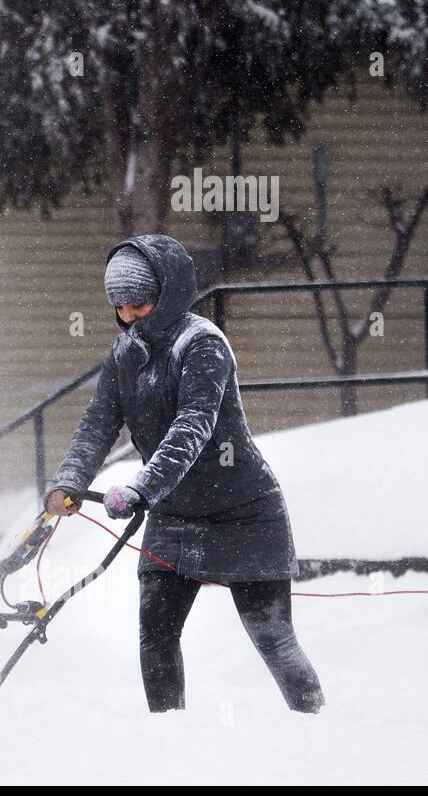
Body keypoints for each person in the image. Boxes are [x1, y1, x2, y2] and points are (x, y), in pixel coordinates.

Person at [44, 234, 324, 713]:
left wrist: (141, 487)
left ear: (169, 292)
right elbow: (97, 424)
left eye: (139, 303)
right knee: (155, 639)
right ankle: (168, 744)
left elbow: (192, 426)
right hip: (174, 514)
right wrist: (69, 480)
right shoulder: (123, 355)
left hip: (244, 511)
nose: (129, 315)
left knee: (272, 640)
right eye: (120, 307)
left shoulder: (203, 346)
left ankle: (315, 723)